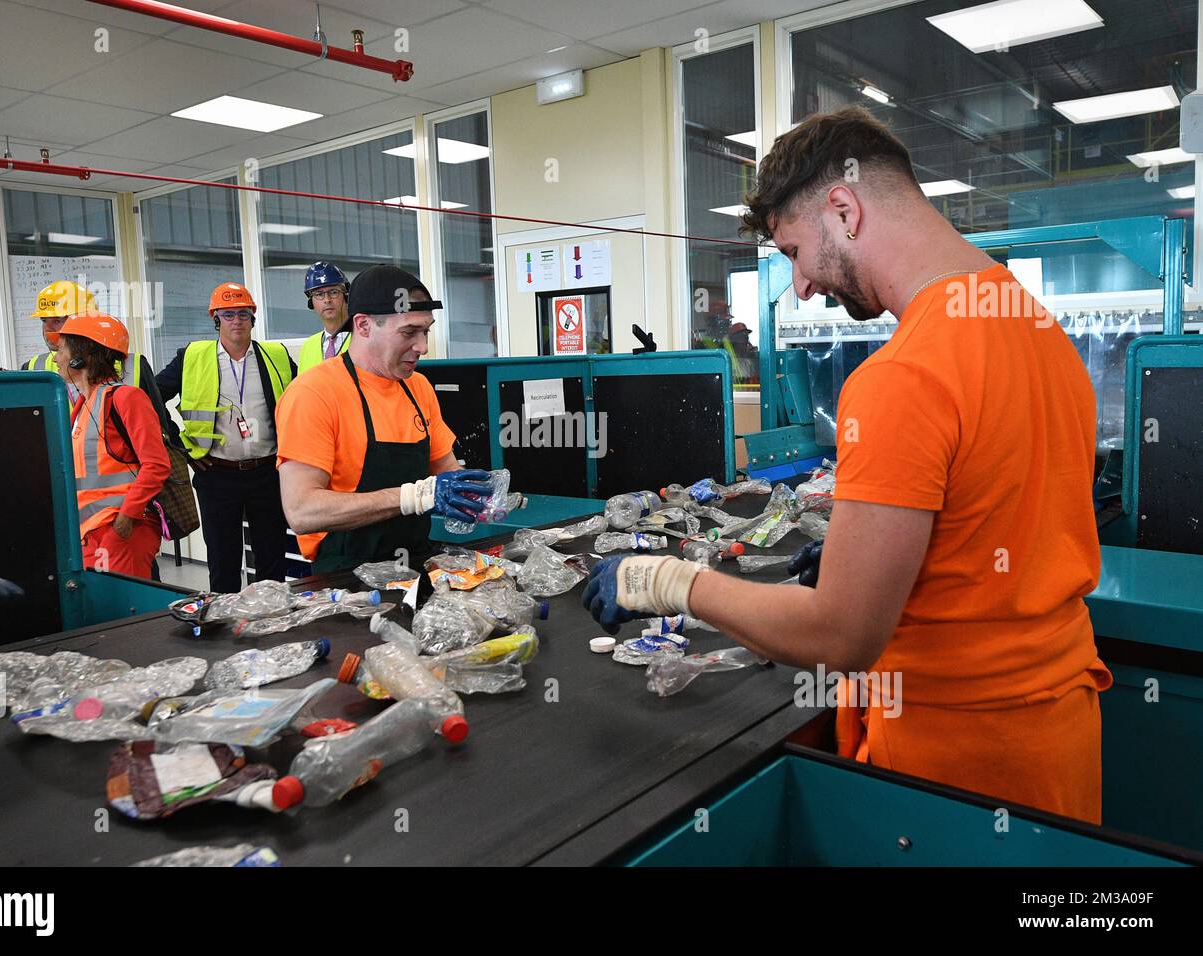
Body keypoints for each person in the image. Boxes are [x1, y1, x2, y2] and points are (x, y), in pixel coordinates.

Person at [584, 105, 1111, 825]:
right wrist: (878, 557)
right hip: (1055, 742)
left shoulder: (905, 373)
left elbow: (840, 637)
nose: (799, 286)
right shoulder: (1038, 328)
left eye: (794, 251)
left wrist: (668, 581)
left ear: (844, 208)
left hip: (955, 771)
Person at [275, 264, 491, 573]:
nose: (423, 347)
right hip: (346, 579)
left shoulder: (418, 387)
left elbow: (446, 470)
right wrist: (413, 496)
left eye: (425, 330)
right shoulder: (313, 393)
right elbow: (302, 511)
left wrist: (472, 493)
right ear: (363, 326)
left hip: (415, 566)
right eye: (409, 332)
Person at [156, 282, 296, 593]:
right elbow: (151, 397)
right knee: (223, 559)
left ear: (253, 319)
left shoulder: (277, 356)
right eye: (228, 314)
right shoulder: (192, 357)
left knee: (272, 558)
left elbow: (304, 401)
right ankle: (226, 624)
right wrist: (182, 447)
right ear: (216, 319)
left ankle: (271, 618)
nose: (236, 321)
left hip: (268, 472)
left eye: (243, 314)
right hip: (217, 473)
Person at [58, 313, 169, 580]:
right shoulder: (82, 405)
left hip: (120, 530)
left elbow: (156, 465)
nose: (55, 357)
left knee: (127, 617)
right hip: (89, 533)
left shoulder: (126, 398)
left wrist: (126, 519)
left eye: (61, 349)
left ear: (80, 355)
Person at [21, 280, 174, 442]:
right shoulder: (32, 368)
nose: (47, 329)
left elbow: (160, 425)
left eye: (57, 320)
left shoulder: (133, 365)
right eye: (44, 321)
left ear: (85, 321)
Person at [296, 260, 351, 373]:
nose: (327, 300)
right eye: (319, 294)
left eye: (334, 292)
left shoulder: (363, 338)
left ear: (346, 297)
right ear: (311, 303)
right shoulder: (308, 346)